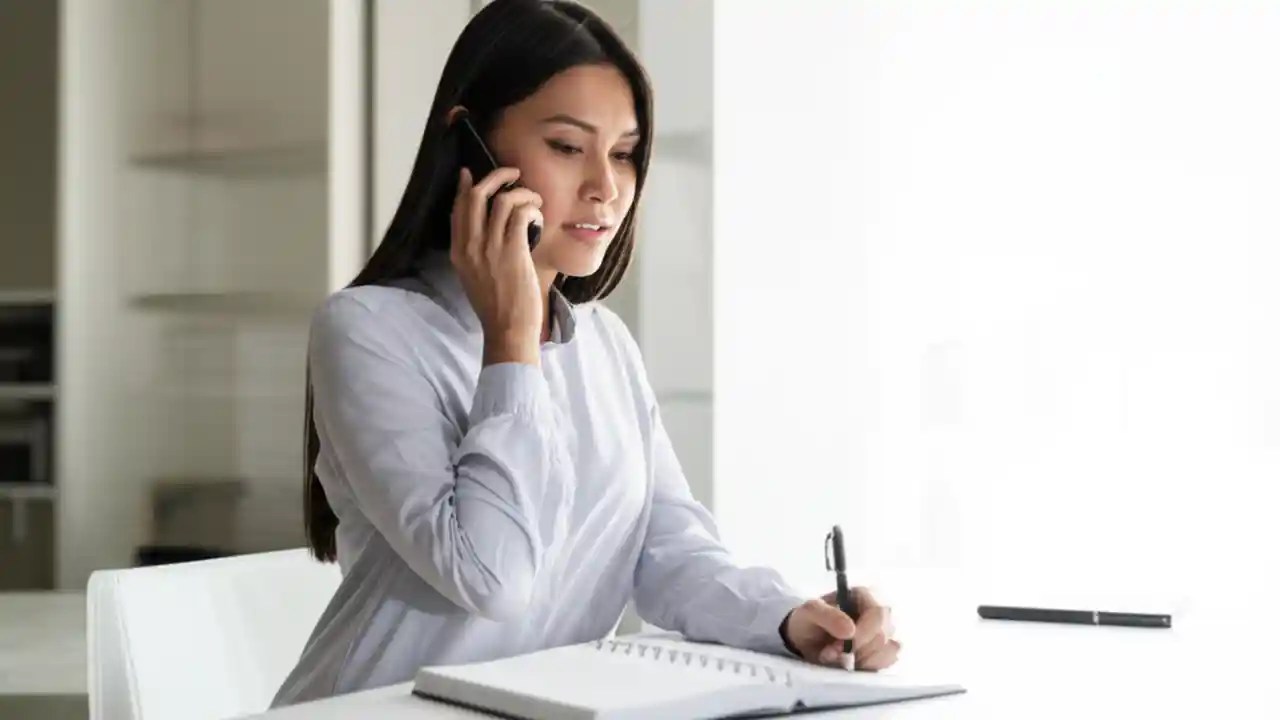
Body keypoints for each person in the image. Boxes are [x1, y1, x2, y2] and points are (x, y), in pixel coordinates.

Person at [272, 0, 899, 707]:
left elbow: (669, 556)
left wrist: (790, 620)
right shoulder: (366, 330)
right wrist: (511, 342)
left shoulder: (603, 344)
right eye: (569, 147)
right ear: (469, 147)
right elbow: (494, 578)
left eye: (625, 153)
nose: (606, 186)